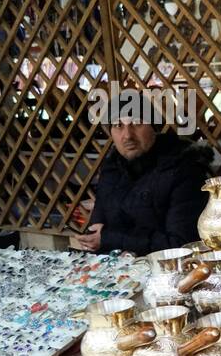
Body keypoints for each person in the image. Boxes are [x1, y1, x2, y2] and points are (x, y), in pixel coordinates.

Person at [70, 109, 211, 255]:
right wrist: (94, 237)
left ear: (153, 128)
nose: (128, 135)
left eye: (137, 123)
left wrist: (110, 238)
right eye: (118, 125)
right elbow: (99, 226)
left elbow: (182, 244)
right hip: (118, 269)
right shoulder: (112, 169)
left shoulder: (182, 170)